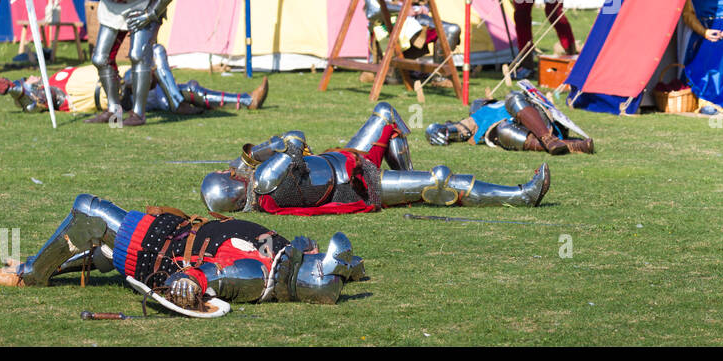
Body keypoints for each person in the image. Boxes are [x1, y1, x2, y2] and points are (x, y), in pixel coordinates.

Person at [0, 194, 364, 315]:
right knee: (99, 251)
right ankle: (40, 265)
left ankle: (31, 273)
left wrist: (187, 282)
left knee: (89, 211)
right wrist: (351, 267)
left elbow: (213, 275)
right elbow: (301, 241)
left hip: (153, 251)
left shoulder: (256, 273)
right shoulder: (283, 253)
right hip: (168, 235)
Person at [200, 102, 551, 215]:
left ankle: (409, 183)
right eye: (228, 173)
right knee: (439, 179)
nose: (230, 169)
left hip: (347, 158)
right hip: (357, 185)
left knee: (386, 113)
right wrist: (263, 150)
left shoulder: (252, 181)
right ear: (232, 187)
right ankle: (520, 194)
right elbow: (293, 142)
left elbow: (258, 157)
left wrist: (243, 161)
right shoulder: (262, 182)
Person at [20, 0, 180, 127]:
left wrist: (150, 14)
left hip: (143, 4)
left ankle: (138, 113)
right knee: (100, 58)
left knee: (138, 56)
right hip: (111, 6)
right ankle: (114, 110)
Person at [0, 44, 268, 116]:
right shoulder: (50, 93)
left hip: (122, 78)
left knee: (187, 90)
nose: (28, 76)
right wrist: (15, 89)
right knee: (156, 54)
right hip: (114, 92)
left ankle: (246, 100)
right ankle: (176, 99)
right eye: (25, 80)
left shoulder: (56, 74)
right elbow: (33, 102)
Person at [426, 81, 594, 155]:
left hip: (538, 120)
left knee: (513, 97)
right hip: (521, 133)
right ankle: (574, 145)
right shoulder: (479, 116)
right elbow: (457, 129)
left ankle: (548, 138)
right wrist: (437, 130)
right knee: (504, 132)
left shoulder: (500, 103)